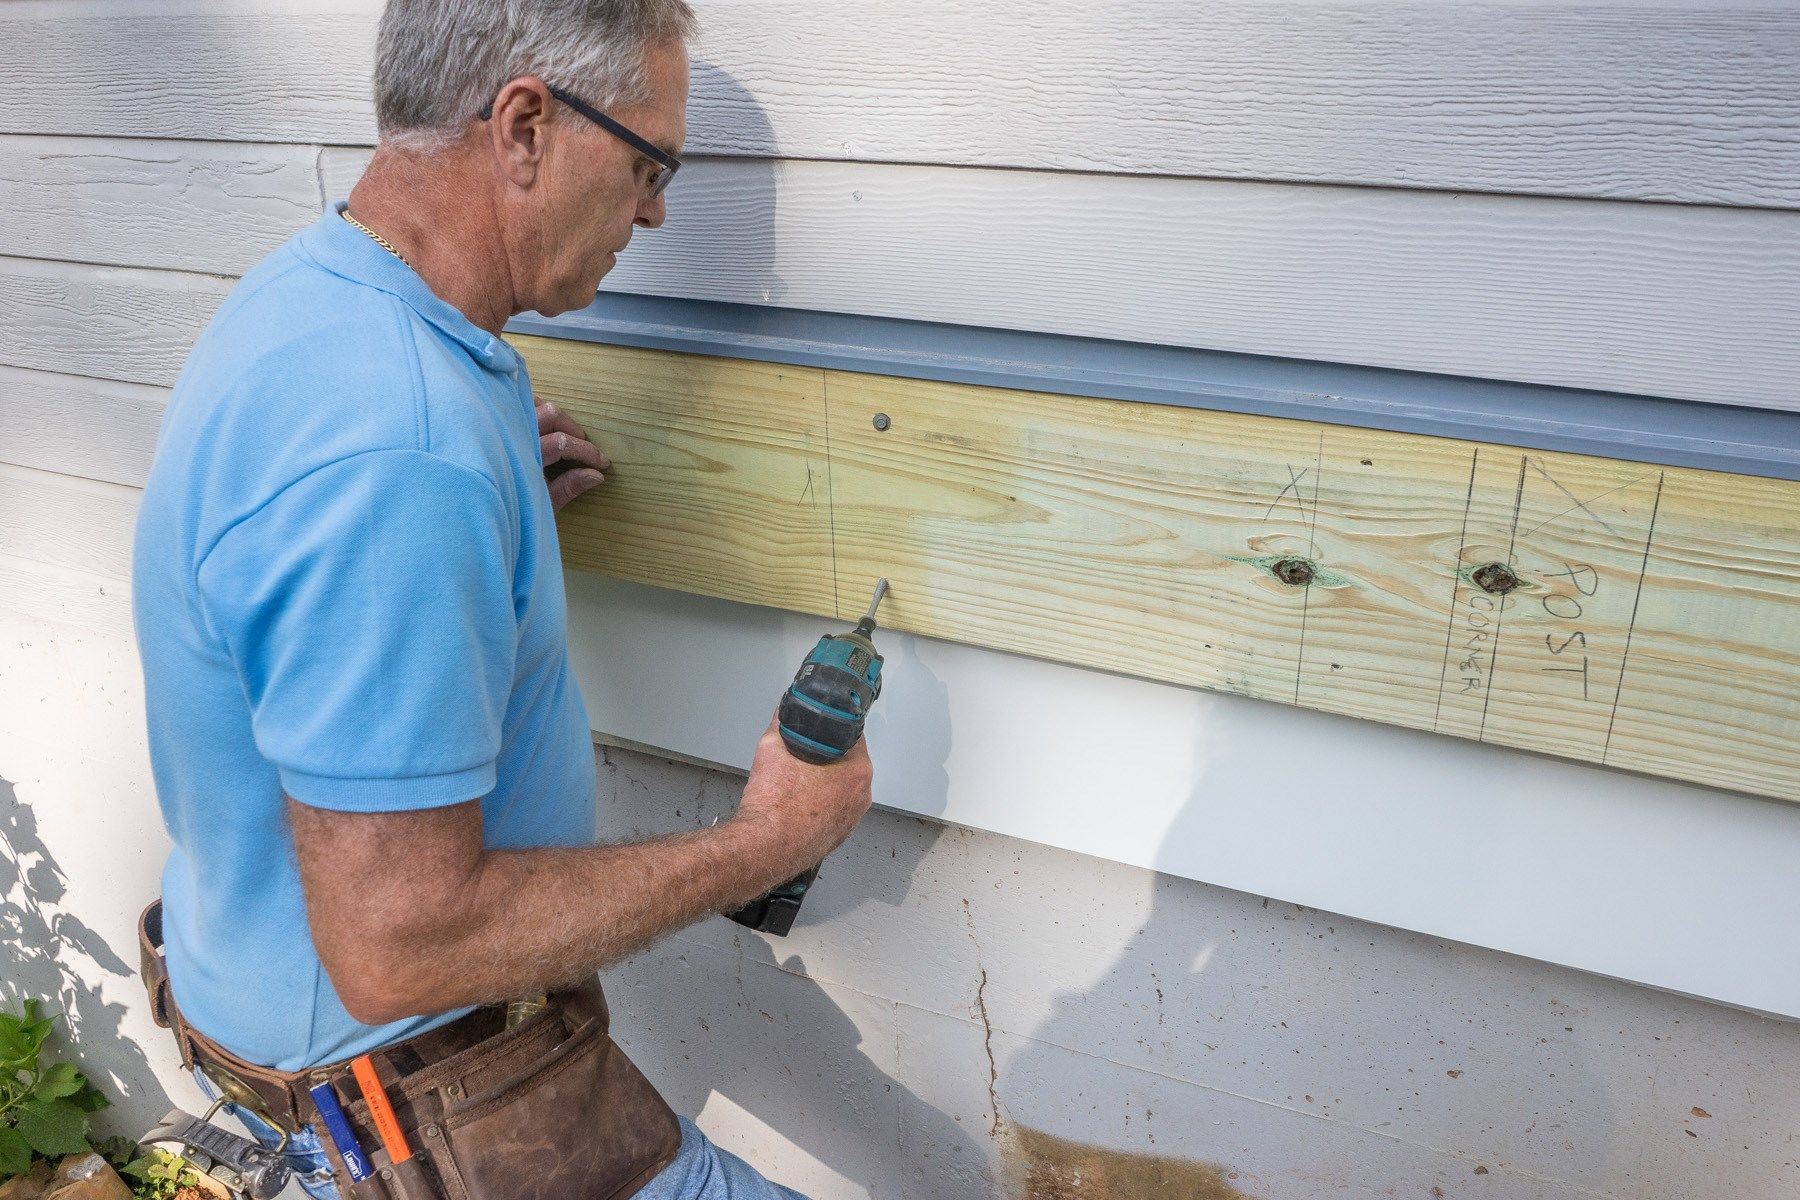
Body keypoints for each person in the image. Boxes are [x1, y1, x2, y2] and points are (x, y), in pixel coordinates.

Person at [129, 2, 873, 1197]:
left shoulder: (316, 301)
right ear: (525, 125)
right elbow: (398, 945)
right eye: (649, 162)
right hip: (409, 1117)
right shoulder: (394, 453)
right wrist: (768, 844)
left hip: (304, 1069)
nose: (655, 209)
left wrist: (472, 548)